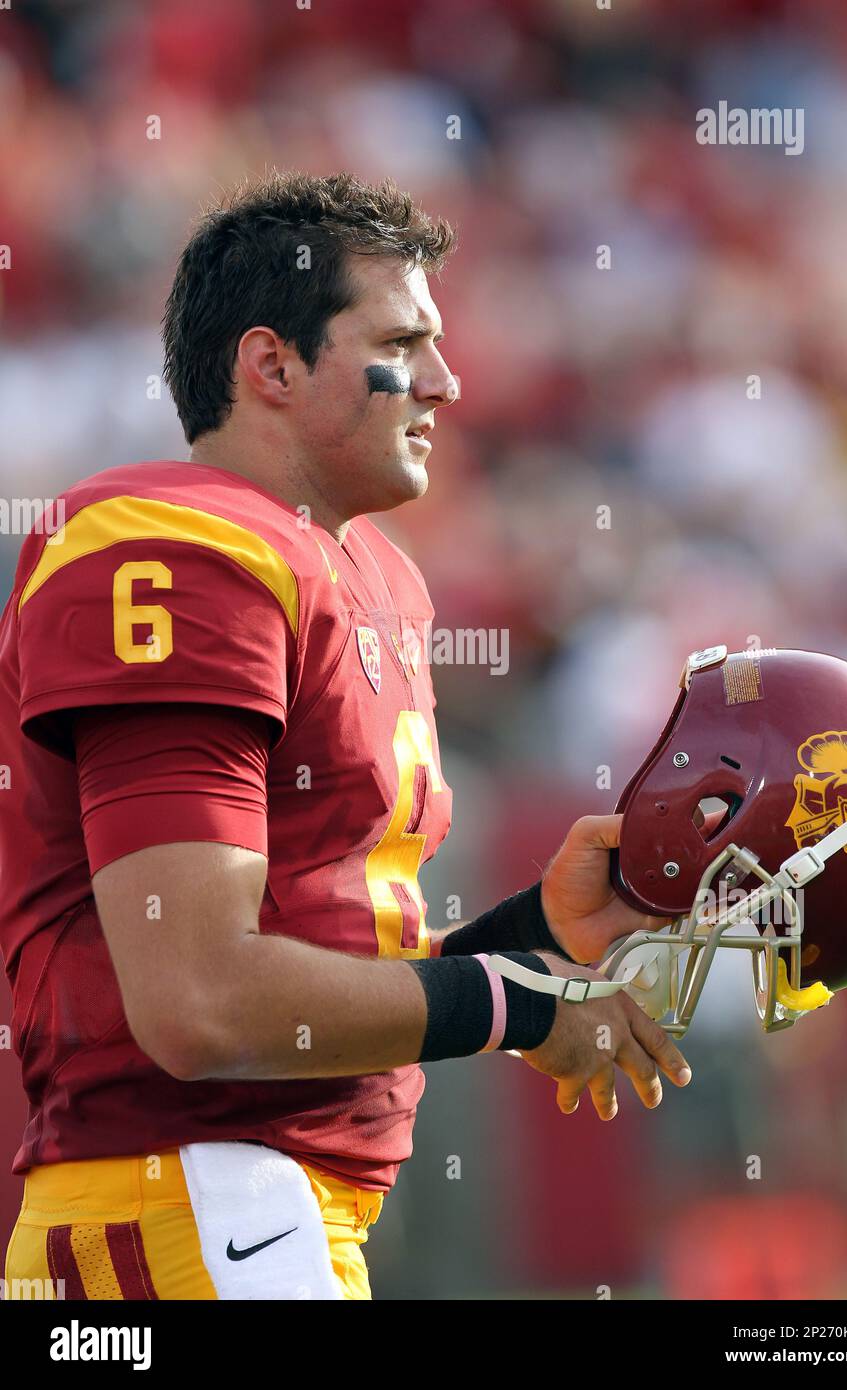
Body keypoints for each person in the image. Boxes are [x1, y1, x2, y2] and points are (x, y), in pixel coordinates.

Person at [0, 171, 690, 1301]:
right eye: (402, 340)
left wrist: (529, 937)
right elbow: (200, 1002)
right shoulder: (173, 547)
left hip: (263, 1209)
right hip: (195, 1201)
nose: (446, 379)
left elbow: (299, 958)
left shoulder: (370, 573)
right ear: (270, 365)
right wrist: (518, 1003)